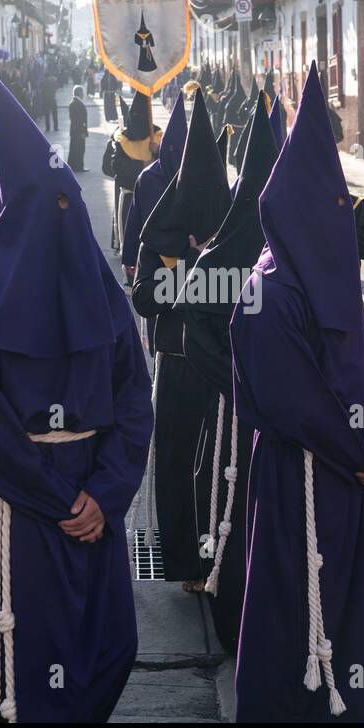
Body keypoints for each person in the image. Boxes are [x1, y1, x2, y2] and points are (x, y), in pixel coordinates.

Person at [0, 64, 153, 722]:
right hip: (27, 502)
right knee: (31, 658)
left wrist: (106, 493)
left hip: (96, 487)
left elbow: (133, 401)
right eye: (54, 205)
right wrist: (58, 497)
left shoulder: (103, 297)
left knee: (110, 647)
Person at [229, 66, 364, 723]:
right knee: (296, 610)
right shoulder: (264, 293)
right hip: (301, 482)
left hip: (356, 483)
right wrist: (353, 451)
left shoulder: (334, 278)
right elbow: (289, 398)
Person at [174, 90, 277, 652]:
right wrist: (243, 386)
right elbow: (197, 335)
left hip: (282, 418)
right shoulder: (216, 262)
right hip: (232, 414)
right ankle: (233, 619)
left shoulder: (294, 256)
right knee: (226, 508)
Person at [132, 94, 232, 593]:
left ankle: (222, 552)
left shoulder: (237, 234)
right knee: (174, 463)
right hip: (174, 364)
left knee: (218, 466)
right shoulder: (163, 235)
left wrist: (206, 274)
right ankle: (185, 563)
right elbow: (144, 296)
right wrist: (197, 273)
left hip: (224, 371)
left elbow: (246, 296)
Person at [122, 92, 187, 291]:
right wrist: (130, 257)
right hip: (155, 260)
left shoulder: (195, 177)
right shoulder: (148, 178)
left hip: (186, 263)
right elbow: (135, 220)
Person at [102, 93, 160, 255]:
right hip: (129, 192)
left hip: (150, 194)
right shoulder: (122, 139)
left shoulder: (157, 137)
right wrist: (143, 166)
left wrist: (158, 152)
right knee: (128, 231)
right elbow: (115, 167)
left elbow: (169, 164)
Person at [67, 85, 89, 172]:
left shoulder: (74, 102)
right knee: (80, 149)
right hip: (78, 131)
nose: (83, 94)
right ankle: (79, 166)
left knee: (74, 149)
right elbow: (79, 120)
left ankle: (73, 165)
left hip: (75, 131)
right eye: (82, 92)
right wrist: (83, 131)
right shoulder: (76, 103)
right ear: (79, 93)